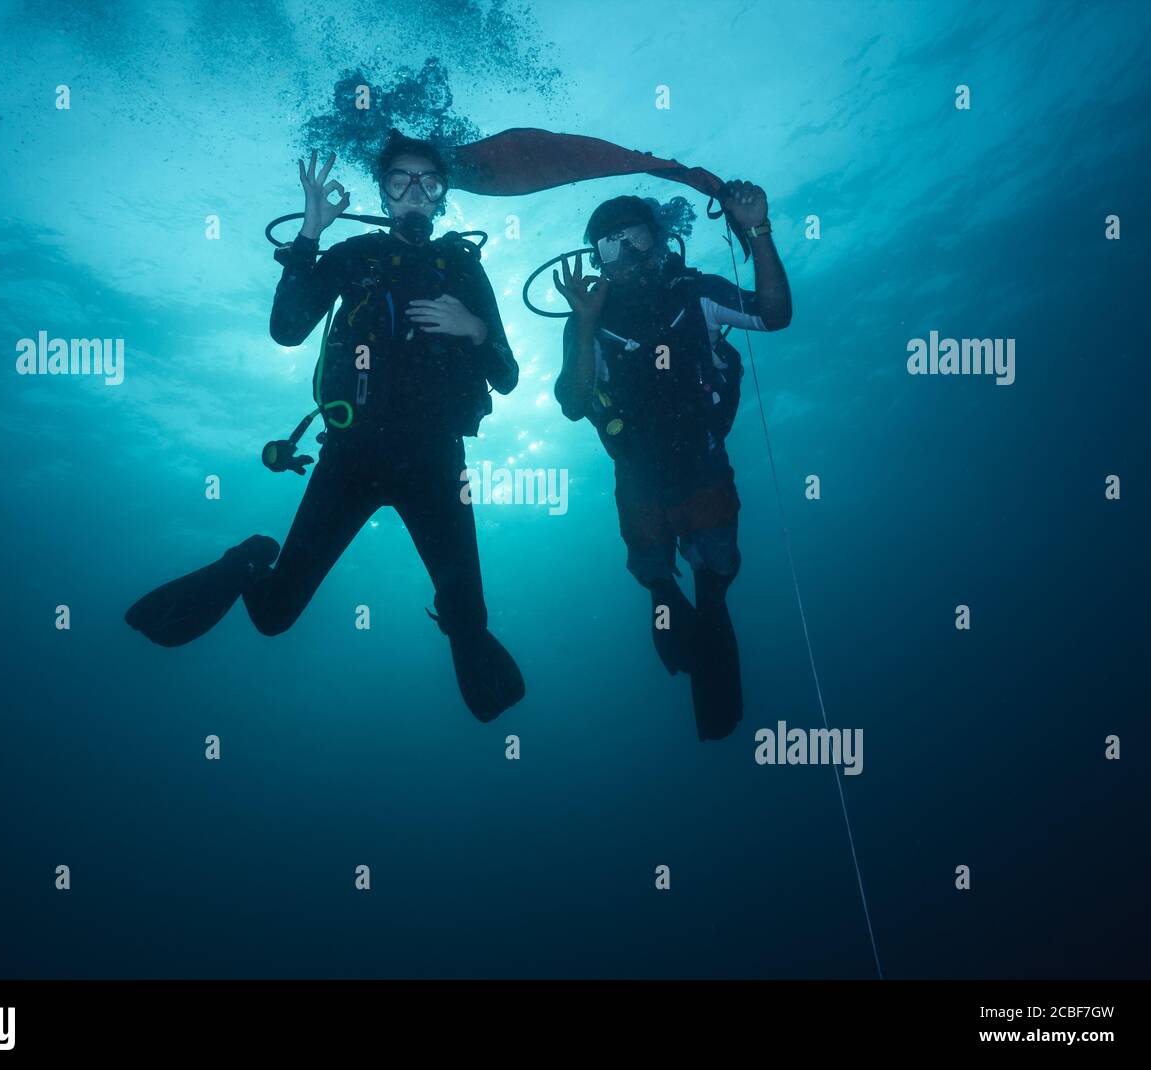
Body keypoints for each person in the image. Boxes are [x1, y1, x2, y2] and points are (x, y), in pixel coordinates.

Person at [126, 130, 525, 722]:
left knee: (470, 619)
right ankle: (247, 561)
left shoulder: (464, 269)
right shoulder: (355, 255)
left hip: (439, 462)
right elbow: (287, 330)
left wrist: (477, 329)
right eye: (400, 181)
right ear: (384, 194)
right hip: (351, 456)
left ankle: (465, 632)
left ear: (443, 195)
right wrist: (310, 233)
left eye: (429, 182)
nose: (415, 193)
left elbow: (507, 376)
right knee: (273, 617)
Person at [552, 183, 791, 740]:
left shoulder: (696, 293)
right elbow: (573, 404)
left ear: (658, 239)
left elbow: (774, 316)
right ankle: (669, 602)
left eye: (634, 237)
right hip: (637, 475)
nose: (625, 255)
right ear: (596, 258)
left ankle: (706, 623)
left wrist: (757, 230)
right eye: (609, 246)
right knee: (656, 577)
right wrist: (584, 322)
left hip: (702, 464)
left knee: (716, 574)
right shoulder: (588, 319)